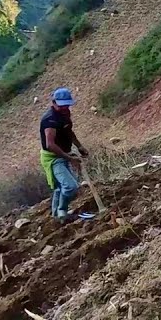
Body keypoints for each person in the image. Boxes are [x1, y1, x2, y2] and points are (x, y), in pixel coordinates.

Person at [39, 87, 91, 223]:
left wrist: (79, 146)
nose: (65, 108)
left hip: (64, 154)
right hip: (53, 157)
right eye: (62, 105)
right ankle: (62, 211)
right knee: (70, 186)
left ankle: (57, 216)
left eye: (67, 105)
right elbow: (50, 144)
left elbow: (69, 132)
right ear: (54, 103)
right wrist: (70, 159)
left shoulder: (65, 114)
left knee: (60, 187)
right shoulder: (49, 120)